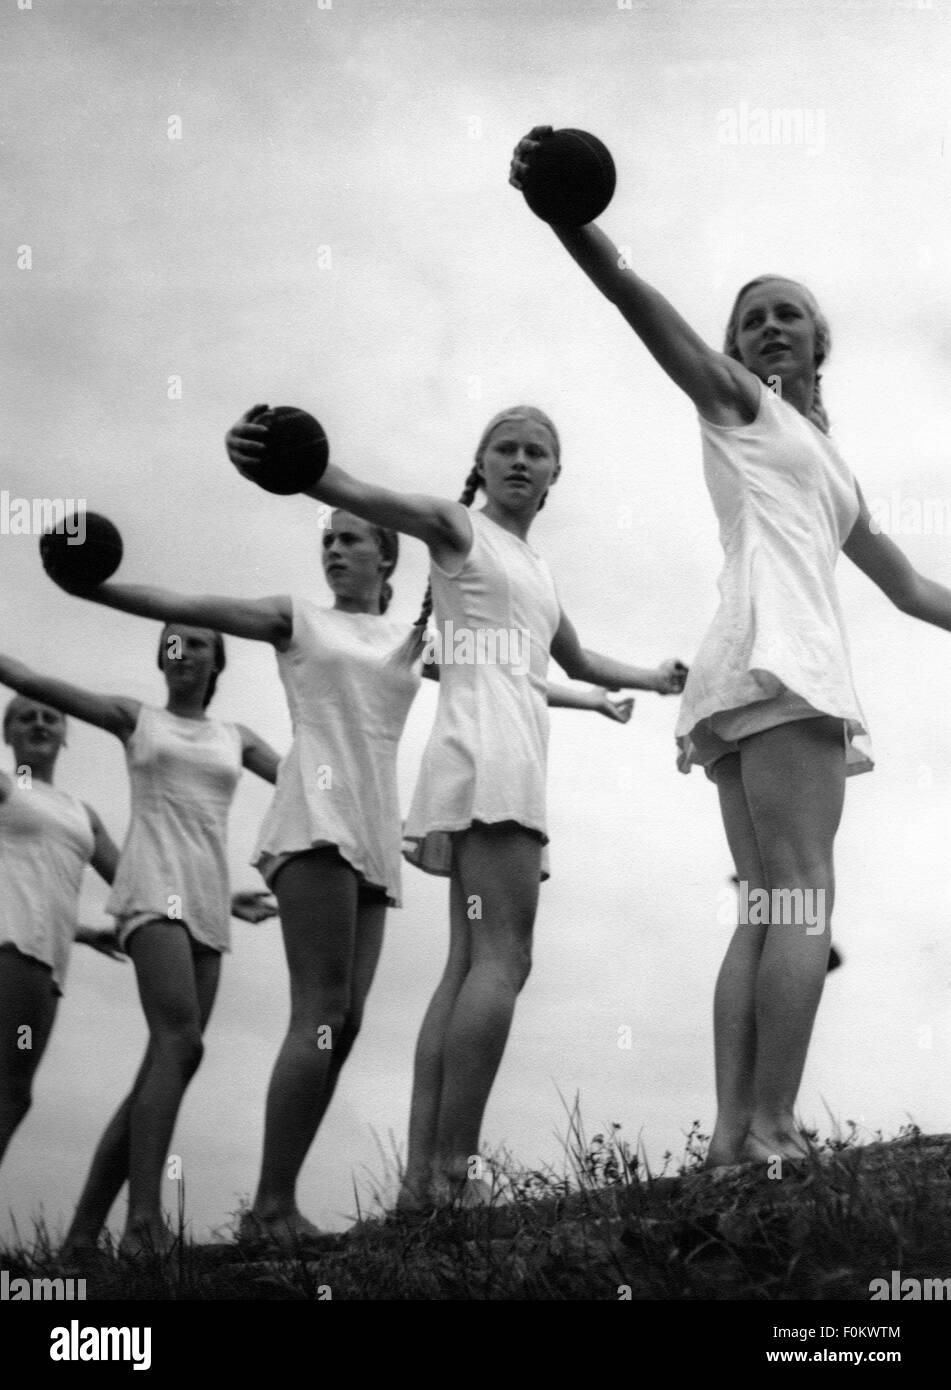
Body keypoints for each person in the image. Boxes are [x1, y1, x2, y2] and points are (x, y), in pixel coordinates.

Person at [509, 126, 951, 1167]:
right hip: (782, 660)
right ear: (739, 348)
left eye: (785, 313)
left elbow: (909, 584)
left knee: (767, 901)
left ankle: (732, 1141)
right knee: (802, 892)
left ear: (818, 341)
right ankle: (771, 1126)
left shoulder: (828, 465)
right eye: (751, 318)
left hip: (740, 670)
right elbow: (634, 300)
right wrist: (572, 220)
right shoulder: (741, 406)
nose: (766, 327)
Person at [226, 403, 687, 1210]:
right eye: (504, 448)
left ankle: (421, 1183)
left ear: (552, 477)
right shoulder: (454, 527)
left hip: (494, 750)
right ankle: (452, 1172)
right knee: (505, 960)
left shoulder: (536, 570)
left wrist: (648, 678)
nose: (519, 460)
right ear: (481, 465)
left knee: (469, 964)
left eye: (536, 451)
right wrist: (277, 457)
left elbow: (570, 655)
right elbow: (348, 487)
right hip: (489, 754)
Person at [0, 625, 279, 1257]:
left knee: (171, 1059)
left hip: (204, 898)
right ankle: (144, 1223)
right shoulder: (136, 720)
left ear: (217, 661)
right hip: (152, 895)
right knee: (178, 1044)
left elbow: (303, 780)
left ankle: (78, 1240)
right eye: (171, 643)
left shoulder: (235, 738)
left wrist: (232, 896)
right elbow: (29, 678)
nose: (183, 652)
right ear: (160, 659)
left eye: (197, 643)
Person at [0, 693, 122, 1173]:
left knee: (14, 1093)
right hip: (11, 951)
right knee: (6, 1090)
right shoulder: (8, 787)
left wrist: (219, 902)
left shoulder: (81, 812)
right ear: (7, 734)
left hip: (45, 966)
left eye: (51, 716)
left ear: (66, 736)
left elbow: (136, 882)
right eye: (25, 716)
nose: (39, 722)